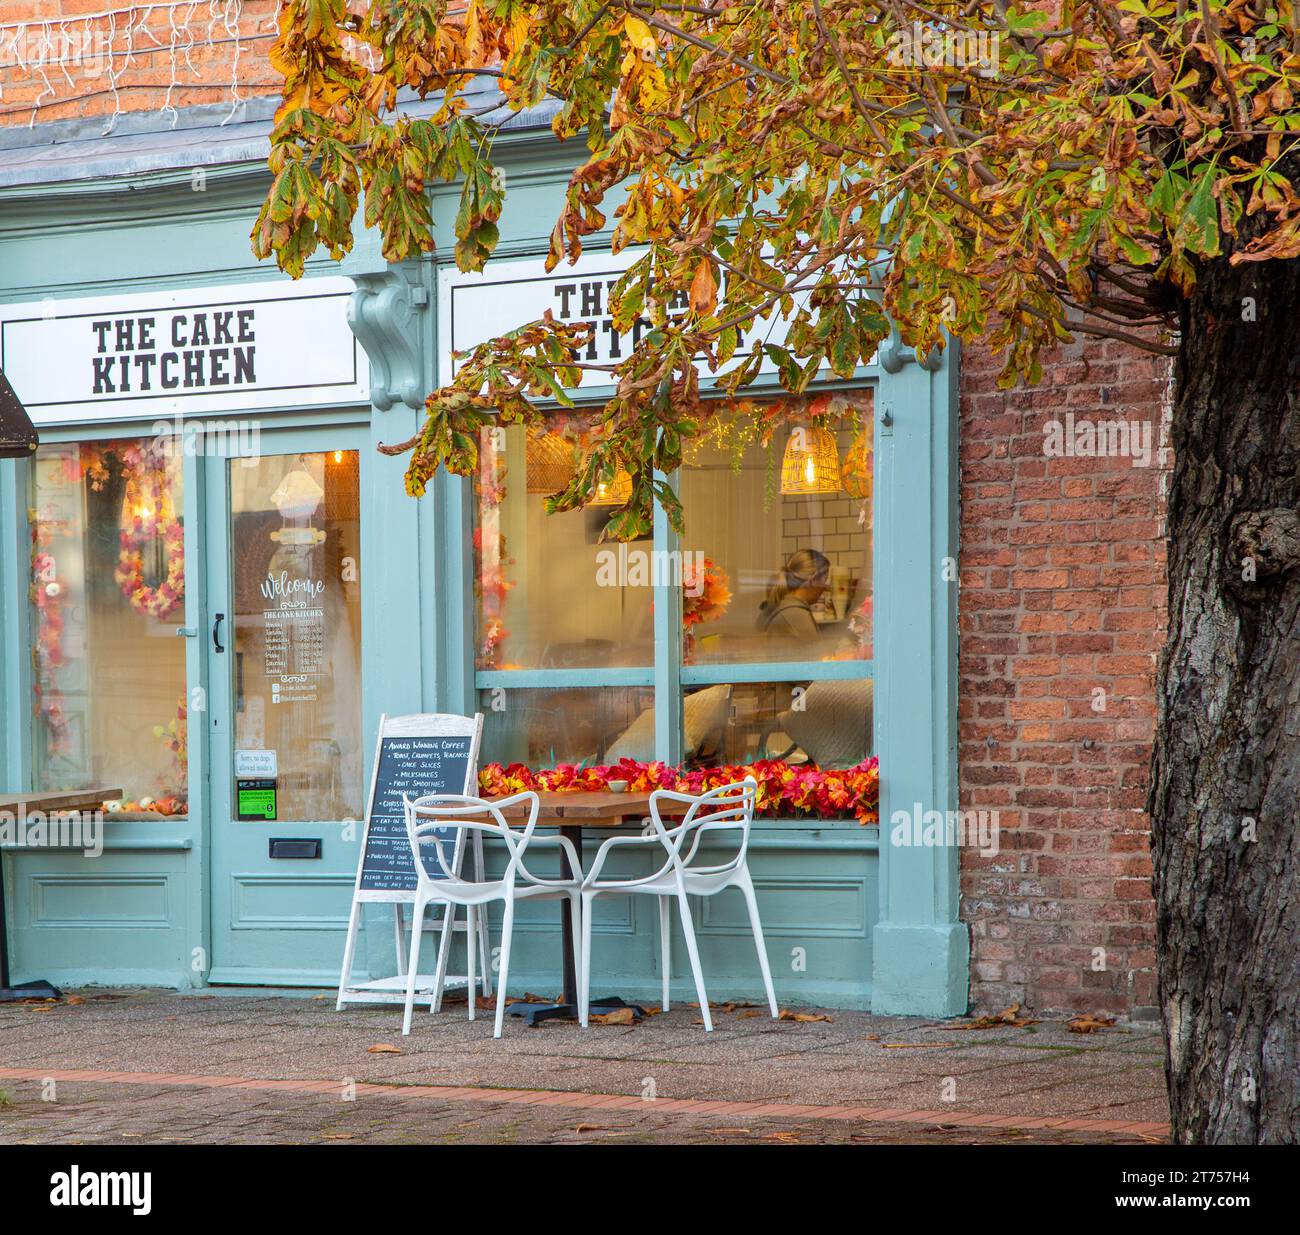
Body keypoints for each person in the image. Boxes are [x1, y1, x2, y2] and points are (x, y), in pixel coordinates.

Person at [756, 548, 830, 641]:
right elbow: (816, 654)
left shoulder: (788, 610)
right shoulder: (797, 616)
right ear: (813, 579)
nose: (825, 587)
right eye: (825, 580)